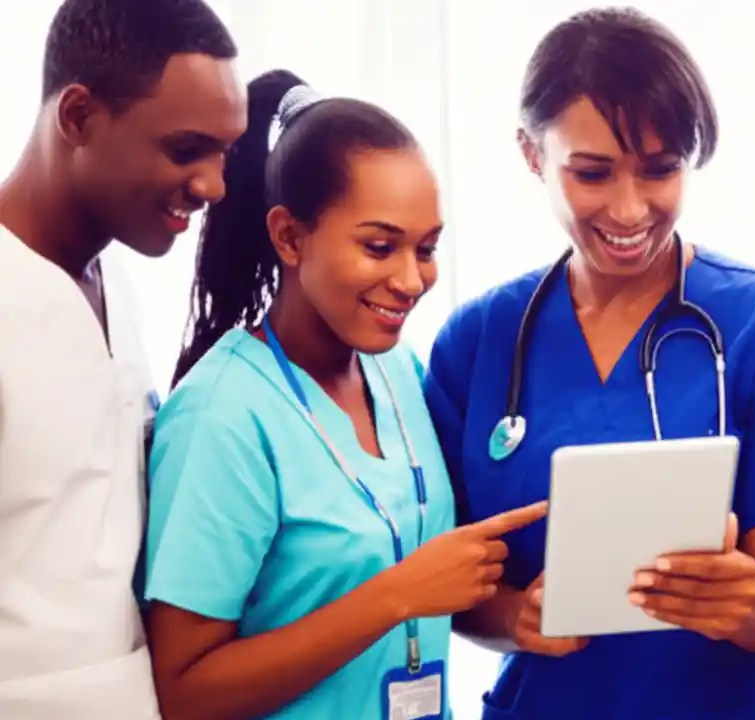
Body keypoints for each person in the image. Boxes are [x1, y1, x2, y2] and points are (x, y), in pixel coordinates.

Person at [422, 8, 755, 719]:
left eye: (661, 169)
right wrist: (518, 617)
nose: (630, 208)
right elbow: (450, 589)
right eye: (592, 172)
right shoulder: (478, 341)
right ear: (530, 153)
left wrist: (737, 598)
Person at [143, 70, 546, 720]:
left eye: (427, 248)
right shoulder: (222, 416)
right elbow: (183, 692)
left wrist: (521, 619)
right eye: (380, 246)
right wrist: (395, 596)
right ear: (290, 237)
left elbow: (434, 583)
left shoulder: (398, 373)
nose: (413, 280)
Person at [0, 1, 244, 716]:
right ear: (77, 117)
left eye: (224, 152)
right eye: (185, 150)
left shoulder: (117, 288)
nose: (214, 186)